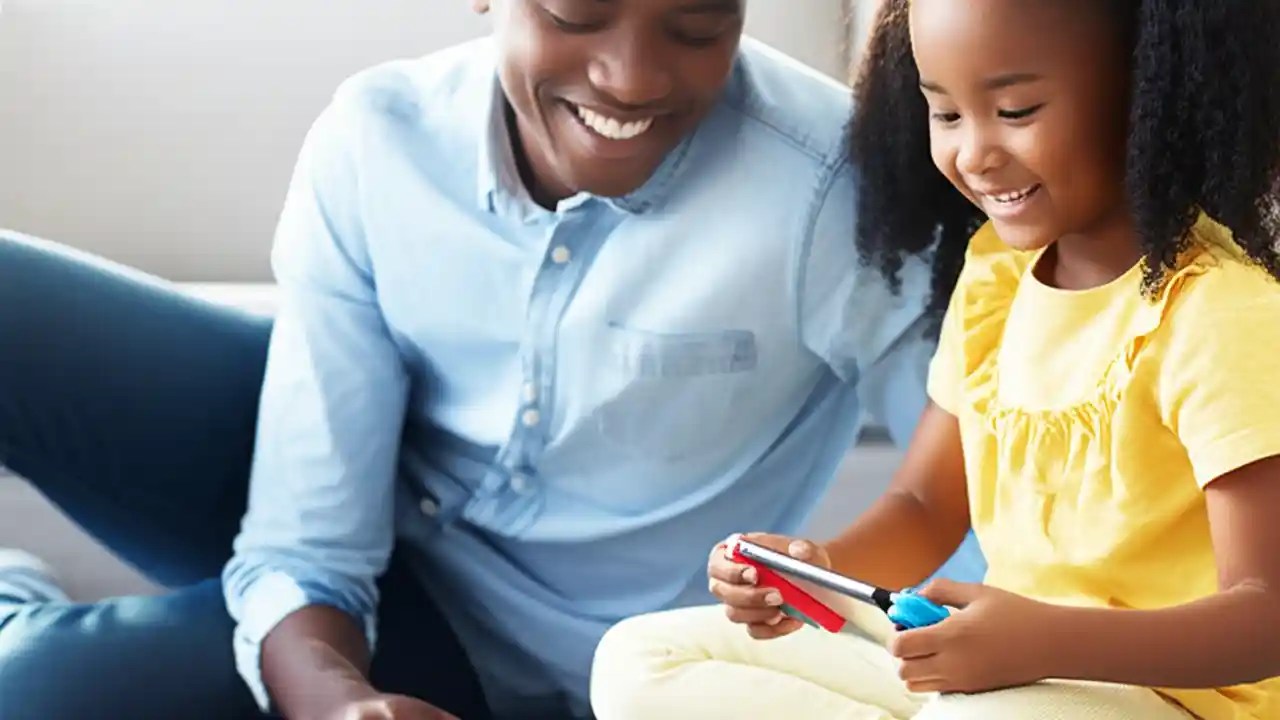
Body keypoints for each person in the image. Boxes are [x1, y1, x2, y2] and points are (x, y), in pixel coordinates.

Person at [0, 1, 981, 718]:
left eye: (694, 24)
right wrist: (330, 698)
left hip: (495, 645)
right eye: (577, 12)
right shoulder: (375, 135)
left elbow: (994, 465)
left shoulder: (832, 188)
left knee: (36, 691)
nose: (632, 75)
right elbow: (307, 545)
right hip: (341, 482)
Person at [590, 0, 1280, 718]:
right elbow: (923, 507)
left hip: (1169, 698)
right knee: (645, 660)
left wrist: (1047, 643)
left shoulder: (1222, 315)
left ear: (1151, 92)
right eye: (945, 114)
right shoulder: (997, 281)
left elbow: (1267, 619)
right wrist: (816, 574)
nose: (973, 153)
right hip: (1005, 668)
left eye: (1015, 110)